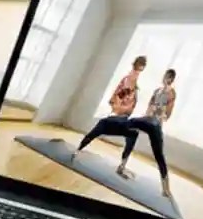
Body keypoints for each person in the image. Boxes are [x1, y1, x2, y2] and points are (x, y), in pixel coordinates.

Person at [69, 55, 146, 161]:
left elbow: (125, 95)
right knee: (101, 129)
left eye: (142, 67)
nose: (140, 70)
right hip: (119, 114)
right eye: (140, 66)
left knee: (132, 134)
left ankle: (78, 150)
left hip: (122, 114)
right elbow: (121, 94)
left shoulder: (133, 78)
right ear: (137, 65)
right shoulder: (130, 78)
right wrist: (119, 106)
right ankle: (78, 149)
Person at [119, 68, 178, 198]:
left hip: (156, 125)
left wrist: (159, 113)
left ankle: (166, 187)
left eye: (169, 77)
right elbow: (149, 106)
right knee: (132, 130)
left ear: (171, 79)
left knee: (159, 155)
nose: (166, 79)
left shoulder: (171, 93)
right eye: (165, 76)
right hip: (147, 119)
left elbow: (167, 114)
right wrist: (147, 115)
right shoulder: (157, 91)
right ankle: (122, 165)